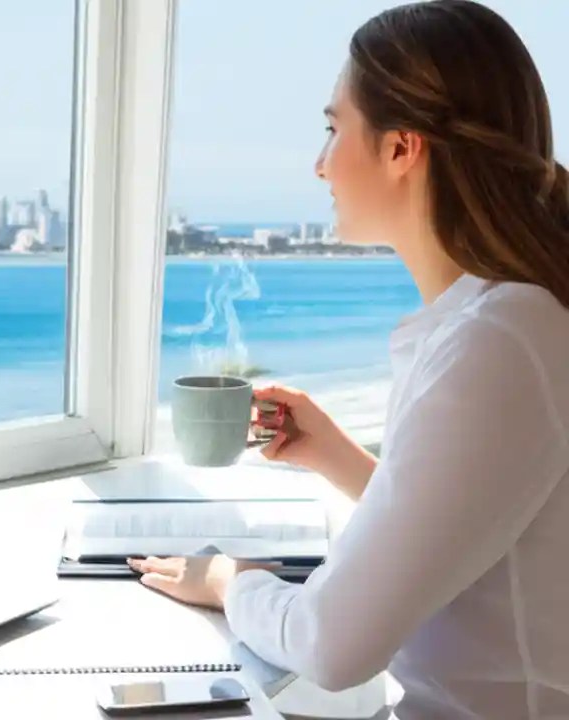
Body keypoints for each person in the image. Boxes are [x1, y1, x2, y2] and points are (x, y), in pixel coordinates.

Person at [126, 2, 569, 718]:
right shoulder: (513, 319)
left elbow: (331, 644)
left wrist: (230, 582)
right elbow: (472, 526)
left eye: (334, 129)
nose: (320, 163)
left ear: (401, 148)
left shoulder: (500, 341)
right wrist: (336, 457)